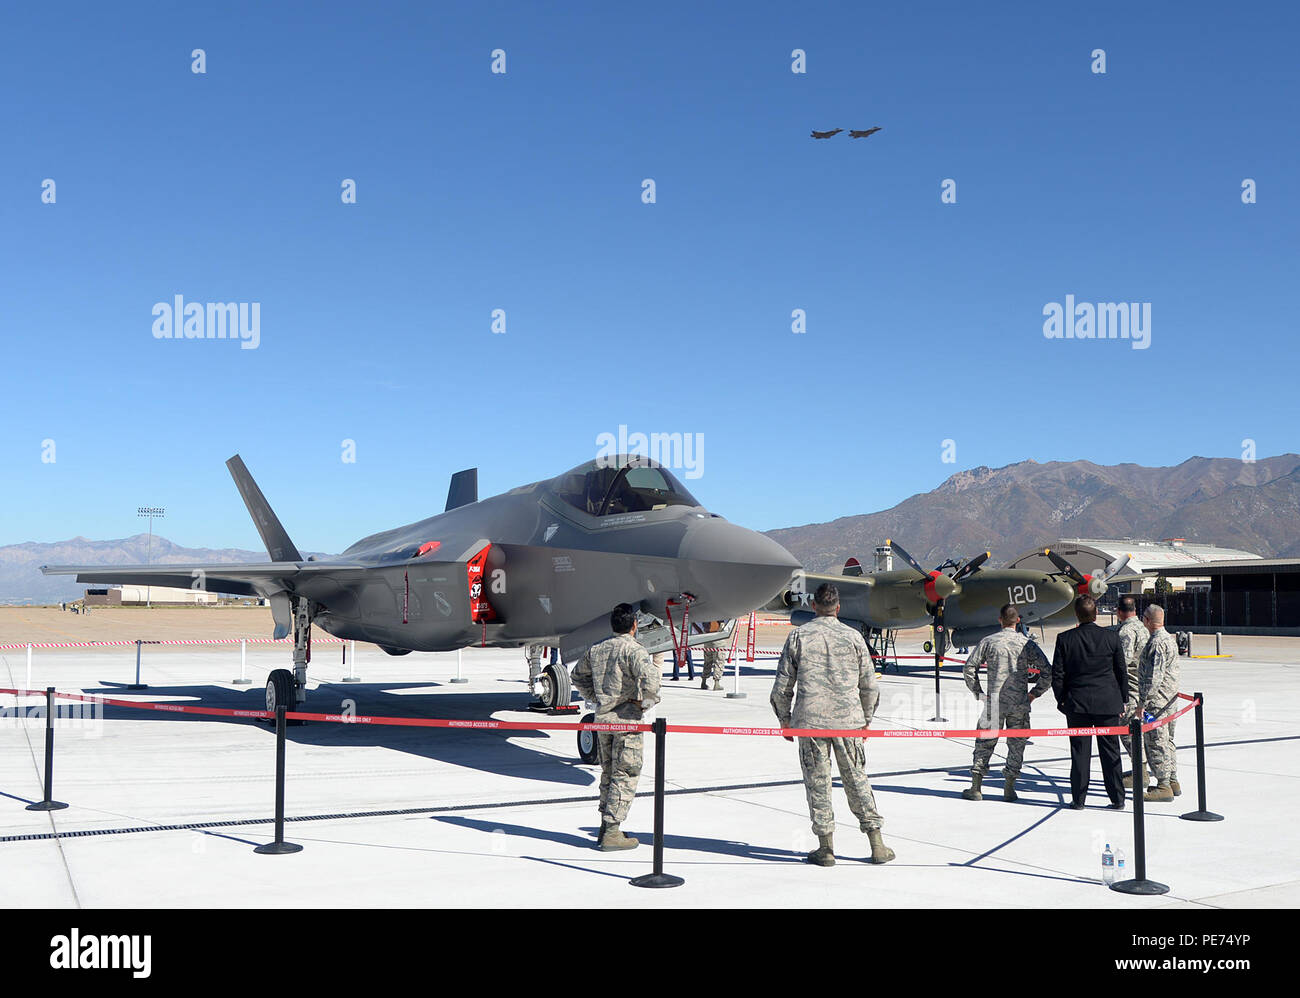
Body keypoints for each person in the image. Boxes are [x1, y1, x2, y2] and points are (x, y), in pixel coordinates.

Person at [770, 582, 893, 867]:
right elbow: (870, 686)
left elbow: (782, 685)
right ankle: (877, 844)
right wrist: (866, 720)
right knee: (857, 780)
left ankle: (826, 849)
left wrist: (784, 719)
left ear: (814, 607)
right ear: (838, 608)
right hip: (847, 721)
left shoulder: (799, 636)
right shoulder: (853, 638)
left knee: (817, 784)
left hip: (810, 722)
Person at [571, 603, 661, 850]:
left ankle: (605, 825)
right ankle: (612, 830)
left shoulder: (597, 649)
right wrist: (645, 704)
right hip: (627, 722)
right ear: (634, 626)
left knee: (609, 773)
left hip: (603, 721)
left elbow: (577, 676)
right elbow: (652, 681)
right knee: (626, 773)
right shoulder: (634, 650)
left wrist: (596, 698)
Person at [960, 604, 1050, 802]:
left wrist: (979, 693)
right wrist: (1034, 694)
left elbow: (969, 668)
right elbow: (1048, 672)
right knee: (1017, 744)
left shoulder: (989, 642)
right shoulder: (1027, 644)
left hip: (994, 703)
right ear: (1018, 621)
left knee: (984, 743)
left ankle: (976, 787)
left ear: (1000, 620)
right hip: (1019, 703)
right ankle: (1009, 787)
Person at [1050, 595, 1128, 809]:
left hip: (1078, 703)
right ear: (1095, 614)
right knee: (1111, 752)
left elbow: (1057, 674)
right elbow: (1121, 671)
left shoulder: (1065, 639)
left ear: (1076, 614)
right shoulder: (1111, 638)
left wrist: (1062, 700)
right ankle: (1117, 798)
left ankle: (1079, 799)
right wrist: (1123, 700)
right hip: (1107, 703)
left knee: (1080, 752)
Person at [1137, 605, 1181, 802]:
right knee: (1168, 741)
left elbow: (1153, 677)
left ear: (1147, 620)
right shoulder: (1168, 639)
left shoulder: (1156, 643)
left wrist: (1142, 702)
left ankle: (1163, 786)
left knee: (1157, 743)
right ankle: (1172, 780)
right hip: (1170, 699)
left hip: (1158, 703)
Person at [1110, 595, 1149, 788]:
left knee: (1127, 732)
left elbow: (1122, 664)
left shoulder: (1126, 631)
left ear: (1119, 612)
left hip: (1131, 689)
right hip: (1142, 687)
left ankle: (1140, 773)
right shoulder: (1142, 627)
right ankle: (1139, 770)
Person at [700, 620, 729, 691]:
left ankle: (703, 681)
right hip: (718, 641)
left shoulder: (707, 614)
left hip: (707, 640)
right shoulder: (721, 614)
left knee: (707, 661)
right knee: (719, 662)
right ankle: (717, 683)